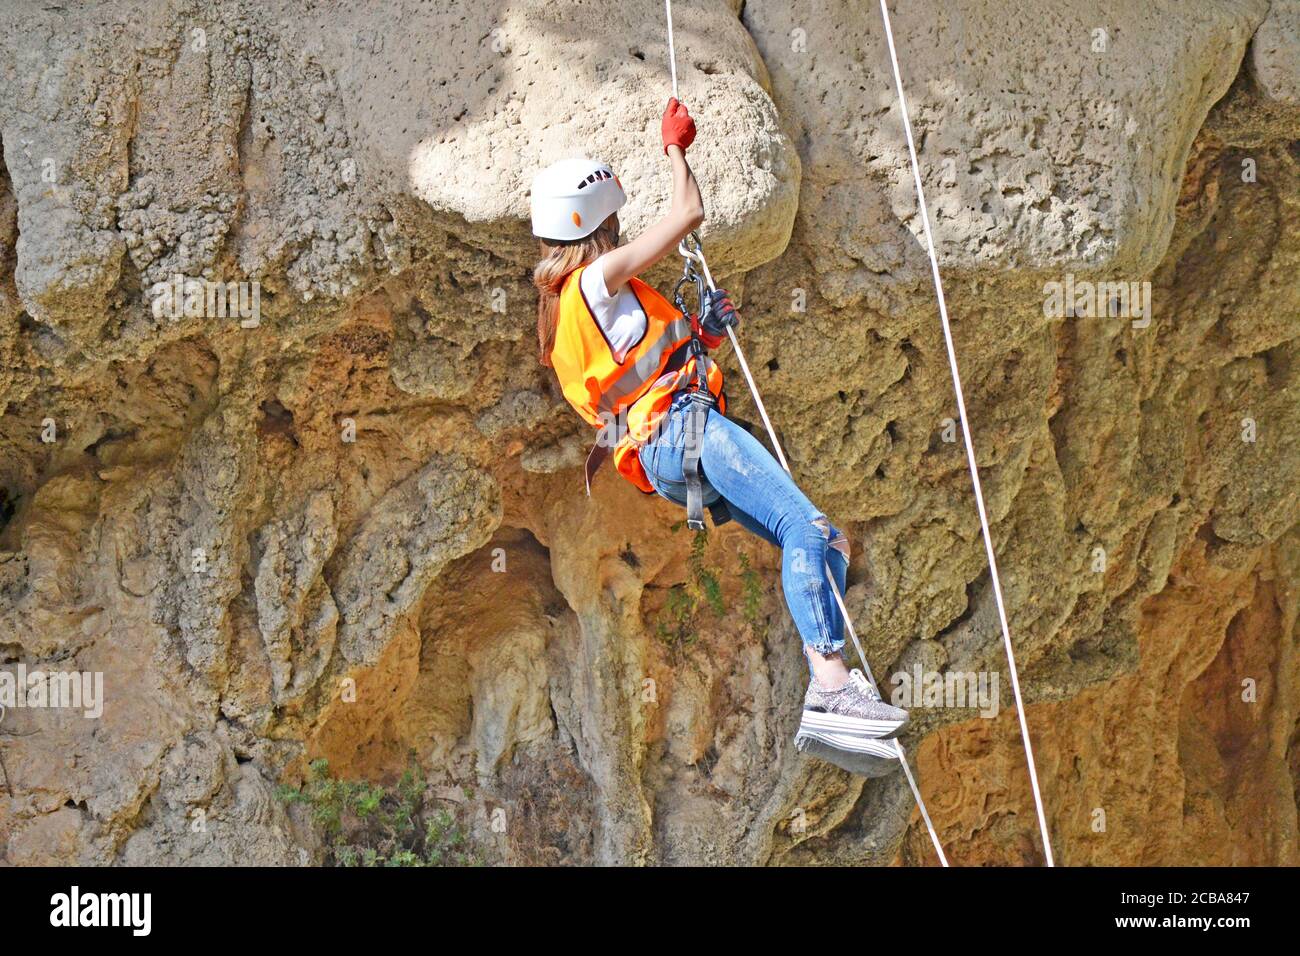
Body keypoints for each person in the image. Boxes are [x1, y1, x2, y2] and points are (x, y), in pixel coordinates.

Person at [529, 98, 908, 756]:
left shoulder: (569, 312)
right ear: (596, 223)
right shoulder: (593, 279)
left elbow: (636, 371)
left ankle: (831, 681)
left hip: (669, 456)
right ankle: (830, 688)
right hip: (683, 431)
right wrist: (676, 149)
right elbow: (687, 216)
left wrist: (700, 334)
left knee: (831, 547)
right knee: (806, 528)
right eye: (614, 220)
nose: (621, 229)